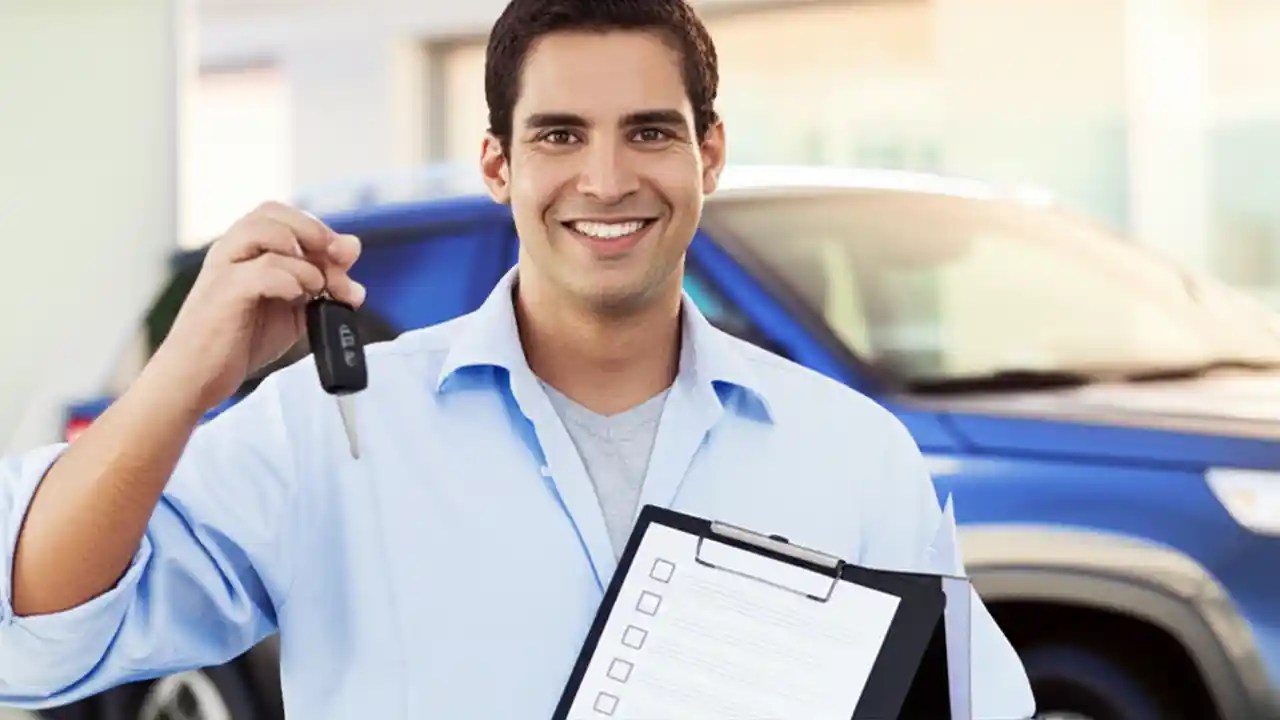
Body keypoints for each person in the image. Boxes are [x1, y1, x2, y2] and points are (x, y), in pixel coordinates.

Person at [0, 0, 1035, 716]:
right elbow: (37, 635)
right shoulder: (339, 429)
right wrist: (186, 377)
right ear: (497, 162)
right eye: (556, 135)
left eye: (646, 132)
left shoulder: (851, 455)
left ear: (705, 153)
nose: (603, 176)